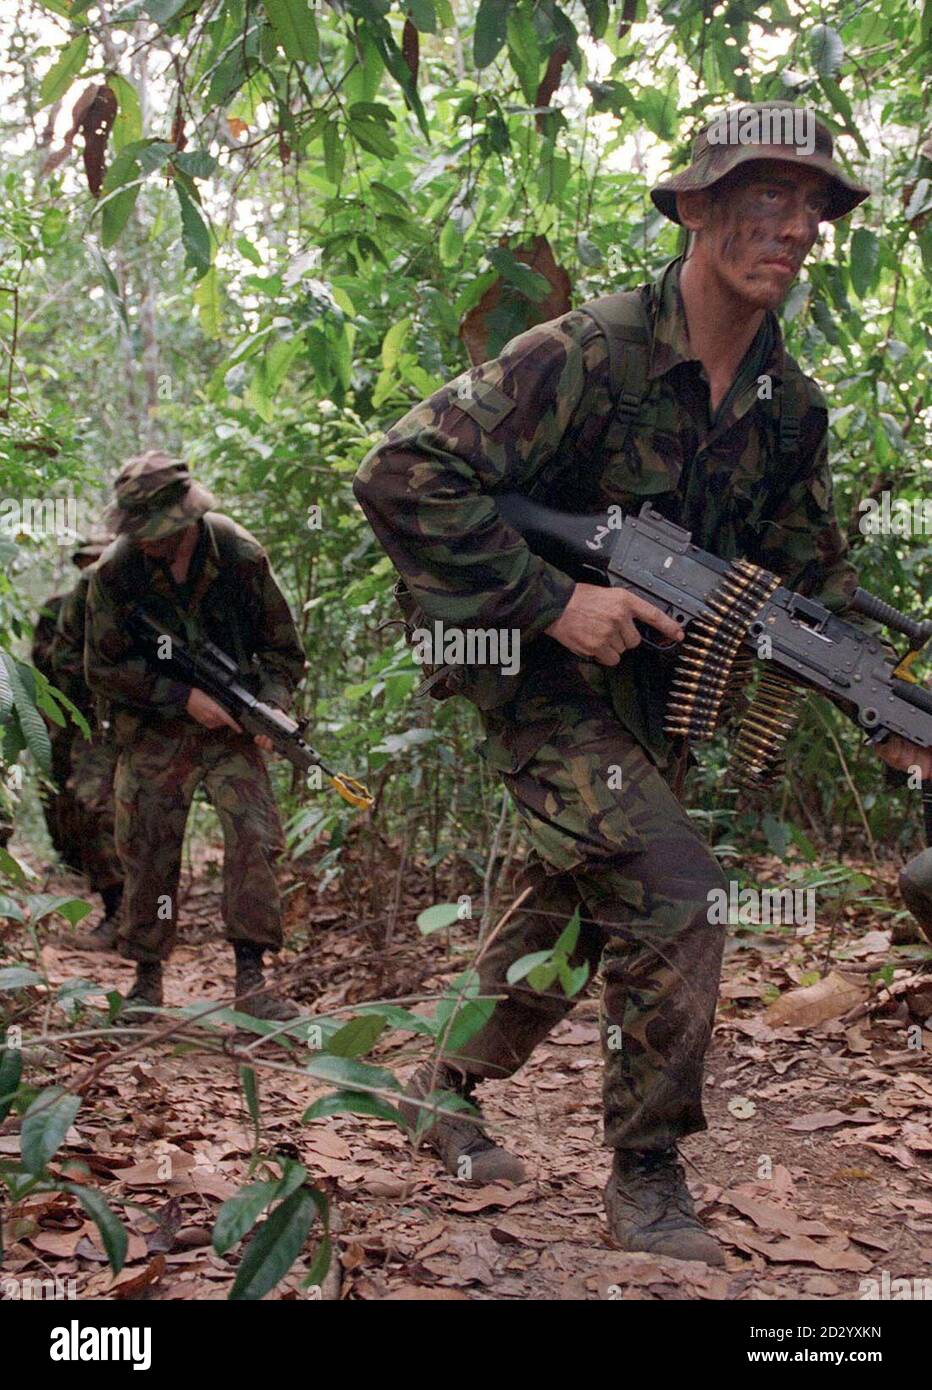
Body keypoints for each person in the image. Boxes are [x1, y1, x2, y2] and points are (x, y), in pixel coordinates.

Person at [354, 102, 919, 1265]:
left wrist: (884, 713)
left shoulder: (788, 407)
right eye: (765, 199)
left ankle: (443, 1082)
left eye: (810, 206)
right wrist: (555, 601)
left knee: (568, 896)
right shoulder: (585, 351)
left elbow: (803, 584)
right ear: (697, 208)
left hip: (656, 689)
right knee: (675, 882)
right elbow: (403, 472)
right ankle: (646, 1172)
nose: (795, 227)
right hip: (523, 659)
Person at [84, 451, 306, 1020]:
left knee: (254, 837)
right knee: (148, 846)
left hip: (232, 727)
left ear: (184, 520)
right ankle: (146, 979)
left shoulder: (238, 555)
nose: (147, 541)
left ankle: (252, 980)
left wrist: (270, 712)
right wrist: (181, 696)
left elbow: (283, 651)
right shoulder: (116, 572)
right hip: (155, 729)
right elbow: (102, 669)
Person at [48, 533, 125, 943]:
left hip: (158, 716)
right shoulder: (65, 607)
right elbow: (58, 664)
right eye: (87, 561)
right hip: (92, 719)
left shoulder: (143, 589)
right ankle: (117, 908)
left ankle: (153, 914)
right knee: (91, 805)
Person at [31, 537, 111, 874]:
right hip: (64, 712)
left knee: (101, 797)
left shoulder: (122, 604)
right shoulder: (58, 607)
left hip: (109, 713)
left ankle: (113, 880)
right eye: (86, 560)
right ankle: (72, 859)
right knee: (59, 788)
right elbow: (43, 658)